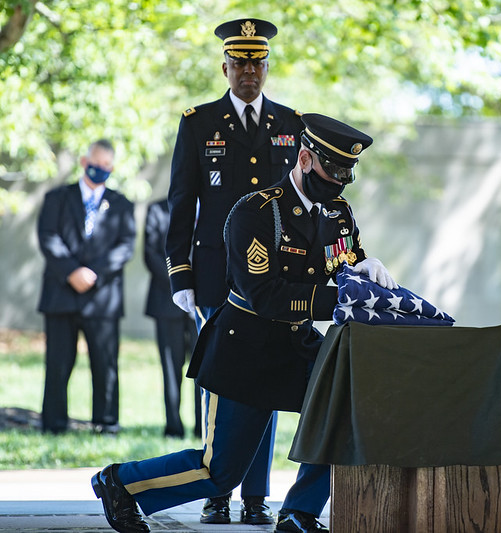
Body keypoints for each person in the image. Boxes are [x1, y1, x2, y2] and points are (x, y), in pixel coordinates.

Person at [92, 113, 397, 533]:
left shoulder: (336, 211)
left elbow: (345, 261)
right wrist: (343, 300)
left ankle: (299, 513)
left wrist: (365, 268)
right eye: (333, 170)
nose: (340, 181)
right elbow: (265, 295)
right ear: (305, 160)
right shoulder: (255, 212)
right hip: (244, 349)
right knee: (219, 472)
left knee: (344, 414)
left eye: (347, 173)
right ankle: (120, 483)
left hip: (297, 344)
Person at [164, 17, 304, 525]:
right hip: (215, 275)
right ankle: (216, 491)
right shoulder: (199, 122)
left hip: (271, 281)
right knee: (219, 384)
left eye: (257, 62)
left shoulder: (291, 124)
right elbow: (181, 203)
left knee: (264, 379)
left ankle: (255, 497)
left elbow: (303, 201)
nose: (249, 71)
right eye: (240, 62)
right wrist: (180, 276)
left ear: (267, 67)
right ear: (225, 67)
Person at [37, 139, 136, 435]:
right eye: (96, 163)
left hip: (102, 297)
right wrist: (72, 272)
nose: (100, 169)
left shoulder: (122, 204)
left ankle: (105, 424)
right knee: (57, 363)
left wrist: (93, 273)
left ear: (112, 168)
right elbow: (48, 236)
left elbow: (125, 246)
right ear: (84, 161)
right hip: (60, 293)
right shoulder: (57, 198)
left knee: (105, 365)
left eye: (107, 166)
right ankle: (54, 424)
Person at [143, 198, 202, 439]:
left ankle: (203, 428)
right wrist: (182, 284)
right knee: (170, 367)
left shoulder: (217, 203)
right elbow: (151, 254)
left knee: (203, 369)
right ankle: (173, 427)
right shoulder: (157, 209)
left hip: (204, 301)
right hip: (166, 300)